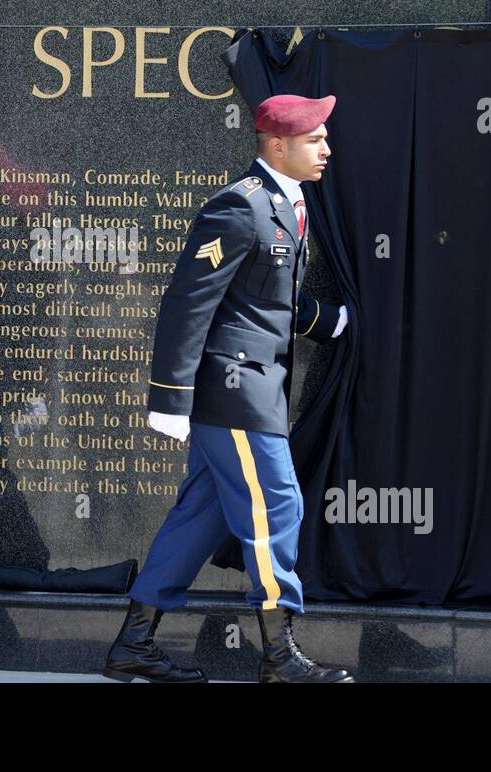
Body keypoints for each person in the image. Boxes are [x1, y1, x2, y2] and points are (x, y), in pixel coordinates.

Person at [103, 93, 356, 683]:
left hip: (257, 385)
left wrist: (327, 322)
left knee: (200, 514)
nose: (326, 149)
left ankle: (132, 644)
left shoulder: (287, 203)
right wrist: (169, 395)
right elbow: (188, 302)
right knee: (276, 503)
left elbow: (267, 297)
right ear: (277, 145)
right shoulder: (239, 207)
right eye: (315, 139)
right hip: (235, 387)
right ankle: (277, 656)